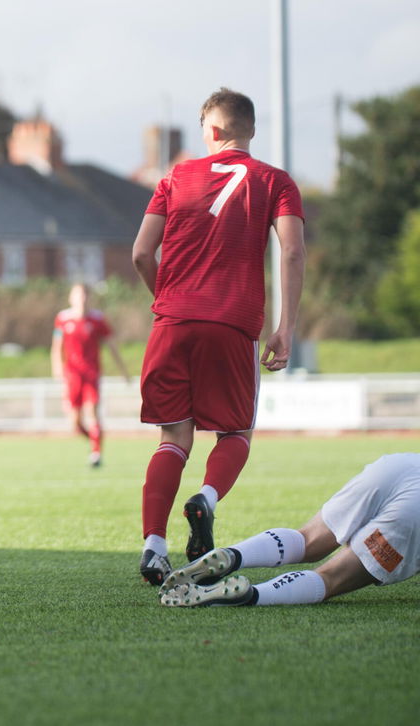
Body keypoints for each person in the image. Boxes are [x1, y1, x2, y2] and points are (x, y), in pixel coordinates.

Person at [131, 87, 307, 586]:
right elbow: (292, 253)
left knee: (173, 438)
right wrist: (285, 327)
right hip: (232, 323)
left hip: (172, 321)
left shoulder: (175, 176)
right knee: (235, 433)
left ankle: (153, 547)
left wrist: (165, 300)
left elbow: (143, 254)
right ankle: (205, 499)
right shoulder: (276, 181)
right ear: (249, 130)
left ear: (211, 130)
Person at [159, 452, 420, 607]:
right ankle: (252, 595)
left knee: (306, 539)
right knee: (329, 578)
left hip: (398, 466)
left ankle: (233, 555)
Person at [50, 282, 130, 467]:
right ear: (71, 298)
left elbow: (112, 347)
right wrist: (56, 368)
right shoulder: (63, 318)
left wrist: (123, 371)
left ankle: (96, 453)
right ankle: (94, 440)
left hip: (91, 373)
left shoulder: (97, 319)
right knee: (75, 423)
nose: (82, 299)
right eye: (78, 295)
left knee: (92, 411)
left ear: (89, 298)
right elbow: (57, 347)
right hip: (71, 375)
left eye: (85, 295)